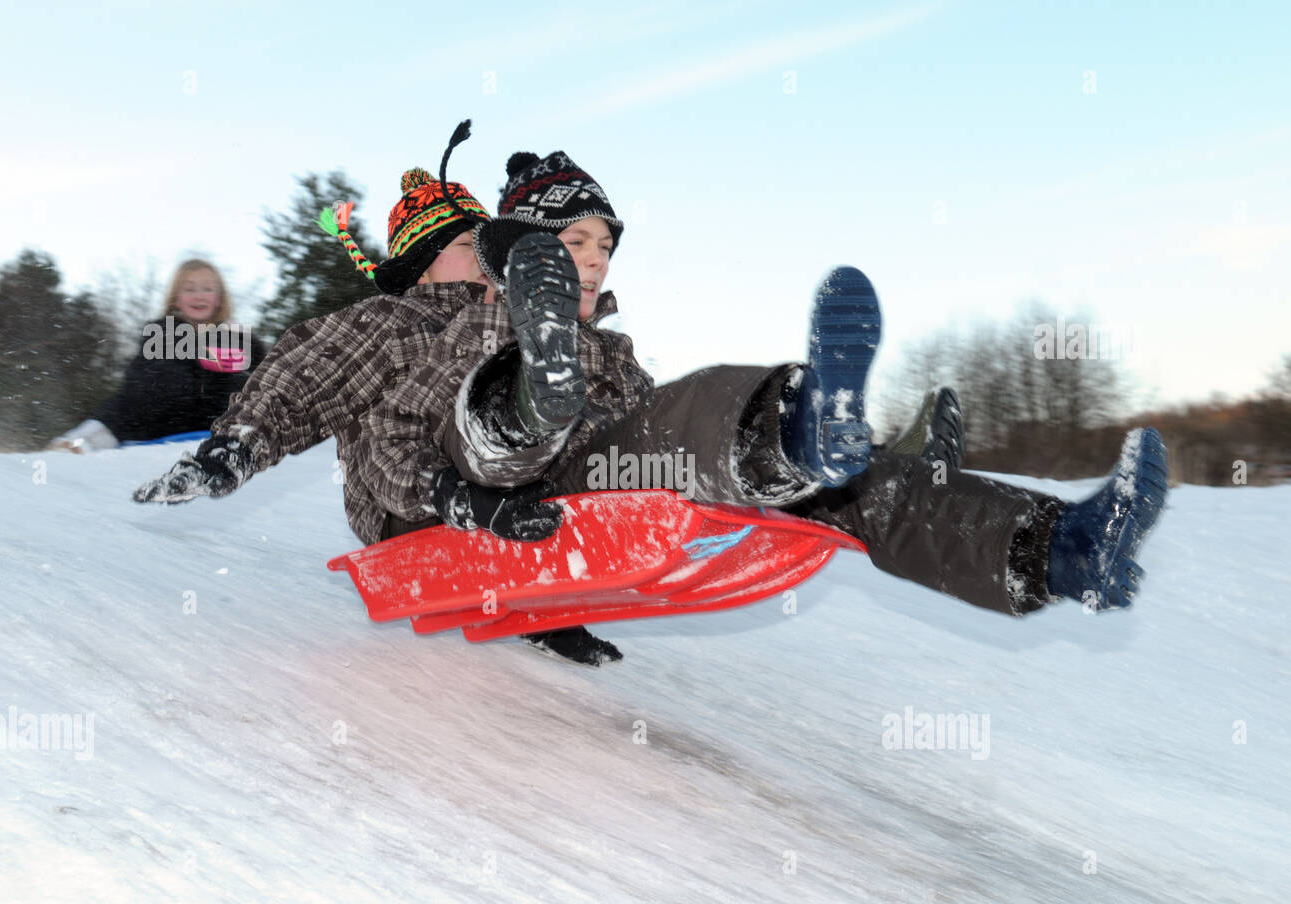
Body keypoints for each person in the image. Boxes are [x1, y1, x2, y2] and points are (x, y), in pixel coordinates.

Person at [135, 144, 1167, 664]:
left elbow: (658, 442)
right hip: (432, 499)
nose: (469, 266)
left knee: (784, 462)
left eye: (591, 250)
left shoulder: (601, 343)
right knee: (515, 418)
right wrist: (228, 450)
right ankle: (536, 407)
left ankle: (1058, 545)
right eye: (466, 250)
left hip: (564, 488)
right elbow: (298, 379)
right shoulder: (392, 326)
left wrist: (552, 608)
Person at [48, 259, 256, 452]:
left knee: (242, 383)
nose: (198, 295)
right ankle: (81, 443)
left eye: (207, 289)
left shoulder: (235, 335)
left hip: (208, 420)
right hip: (155, 417)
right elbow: (139, 377)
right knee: (132, 396)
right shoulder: (161, 329)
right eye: (189, 289)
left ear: (218, 299)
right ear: (176, 299)